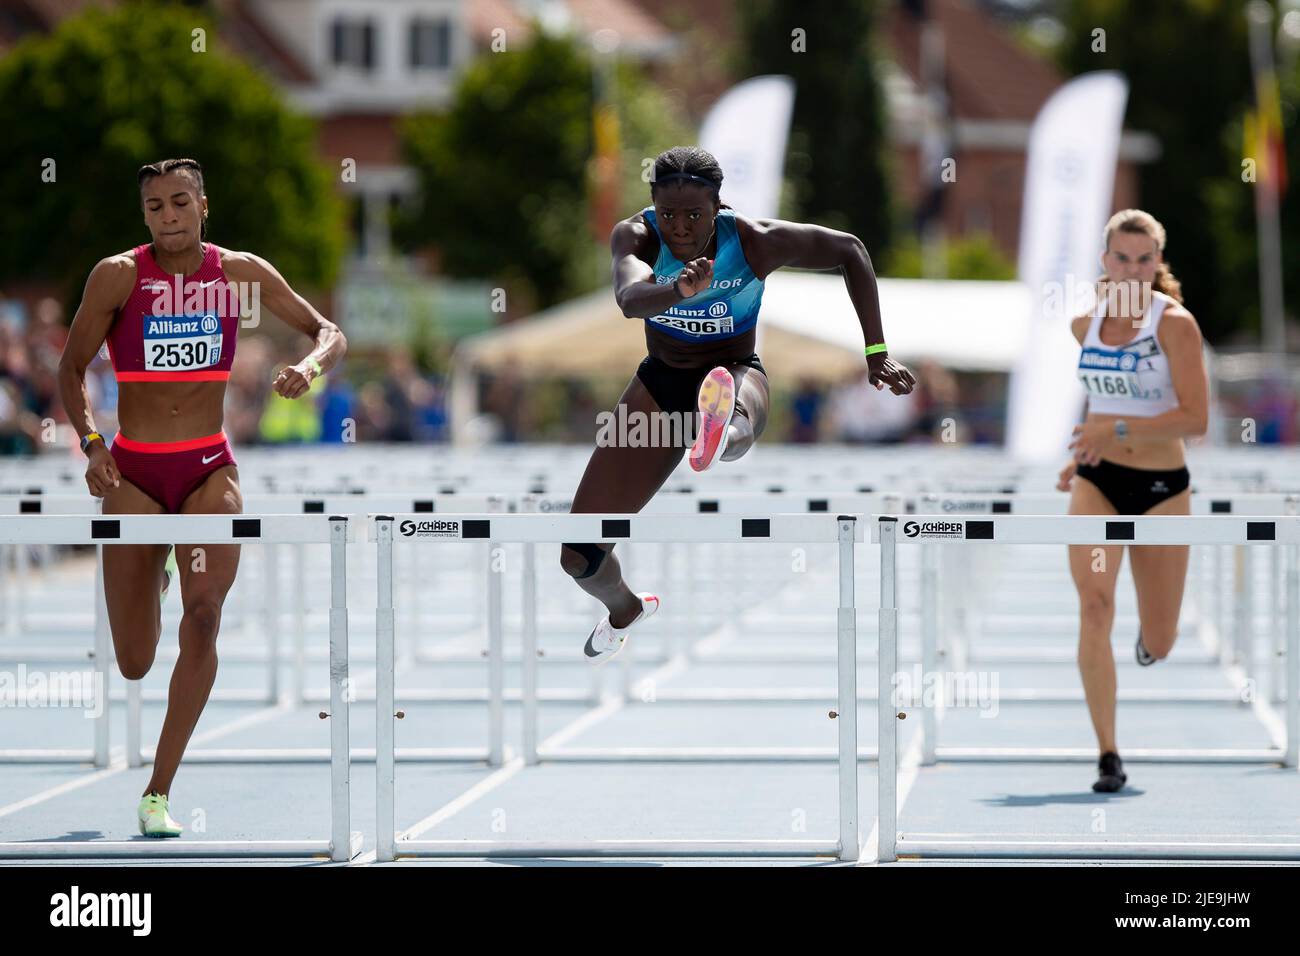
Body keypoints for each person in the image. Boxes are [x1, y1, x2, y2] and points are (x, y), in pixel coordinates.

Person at [57, 158, 347, 836]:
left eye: (179, 202)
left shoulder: (239, 272)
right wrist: (93, 445)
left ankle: (158, 790)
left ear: (203, 205)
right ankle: (157, 567)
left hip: (208, 472)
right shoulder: (118, 277)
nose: (168, 216)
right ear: (145, 215)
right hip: (133, 475)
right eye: (155, 206)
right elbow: (71, 368)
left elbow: (328, 333)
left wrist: (307, 367)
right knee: (133, 662)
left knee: (207, 617)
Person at [561, 145, 916, 664]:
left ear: (719, 207)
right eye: (669, 215)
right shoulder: (635, 236)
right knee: (579, 556)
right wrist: (678, 288)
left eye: (694, 216)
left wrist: (877, 351)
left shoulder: (754, 242)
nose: (680, 228)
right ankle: (625, 610)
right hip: (660, 387)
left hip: (735, 369)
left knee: (733, 399)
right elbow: (628, 300)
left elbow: (851, 250)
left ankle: (721, 431)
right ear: (653, 205)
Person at [1057, 209, 1208, 793]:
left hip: (1162, 489)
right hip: (1102, 485)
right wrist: (1086, 452)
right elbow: (1100, 400)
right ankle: (1108, 753)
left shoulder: (1175, 325)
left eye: (1145, 259)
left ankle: (1153, 641)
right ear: (1105, 261)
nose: (1133, 269)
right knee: (1095, 607)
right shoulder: (1083, 324)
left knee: (1162, 639)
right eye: (1122, 257)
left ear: (1156, 264)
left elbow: (1194, 419)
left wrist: (1115, 429)